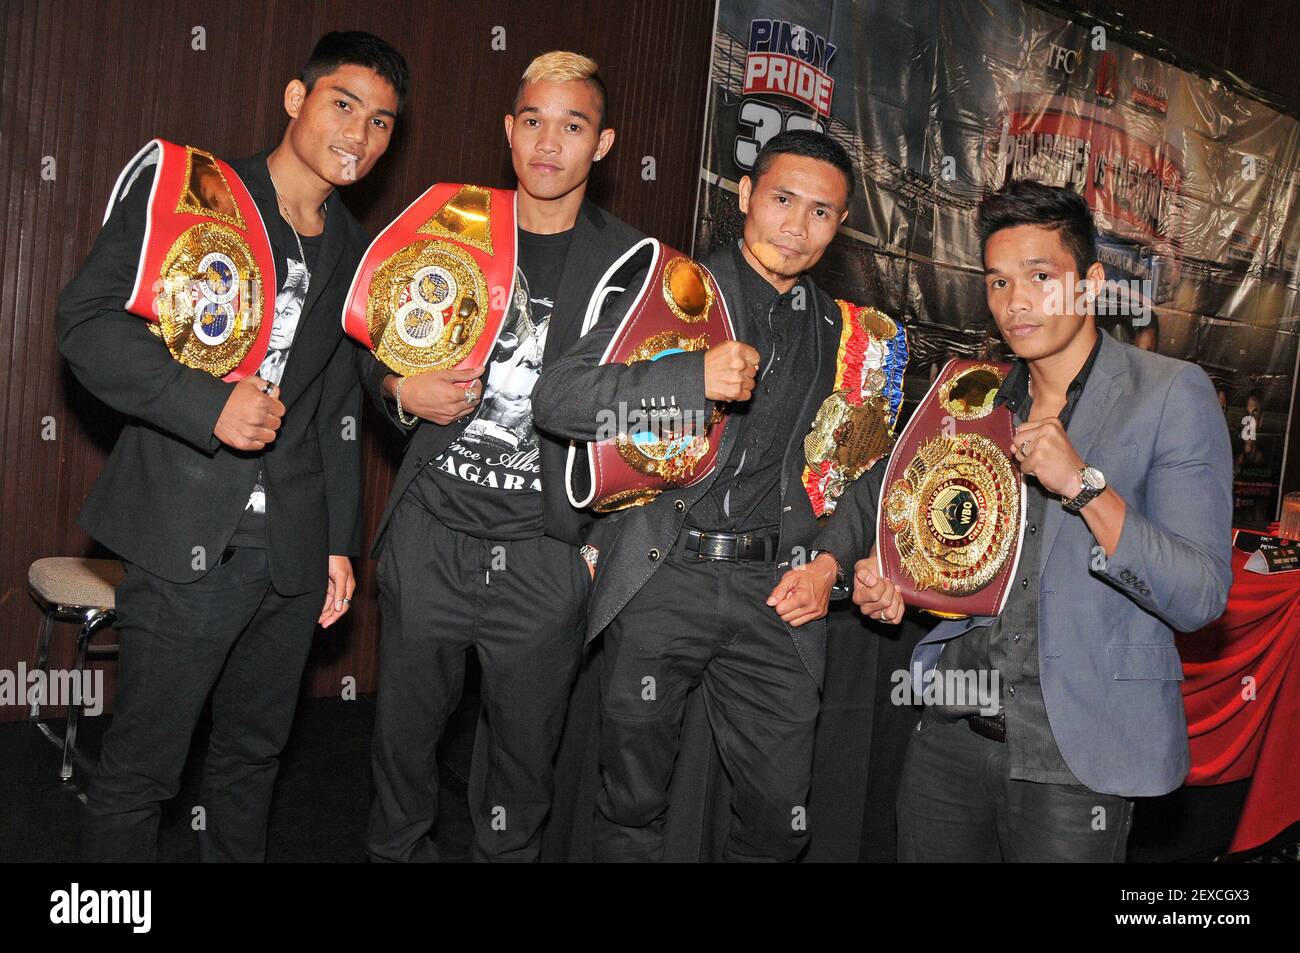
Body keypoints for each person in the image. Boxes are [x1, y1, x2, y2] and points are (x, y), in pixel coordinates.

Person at [57, 31, 407, 862]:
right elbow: (87, 325)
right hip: (187, 540)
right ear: (296, 98)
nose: (359, 135)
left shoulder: (357, 252)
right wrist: (205, 403)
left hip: (287, 554)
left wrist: (335, 543)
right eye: (343, 105)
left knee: (253, 760)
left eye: (384, 122)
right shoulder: (199, 191)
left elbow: (329, 411)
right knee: (143, 771)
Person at [845, 180, 1233, 861]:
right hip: (953, 735)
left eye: (1038, 276)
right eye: (997, 281)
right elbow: (953, 555)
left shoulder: (1170, 393)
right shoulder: (975, 400)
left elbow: (1199, 596)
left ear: (1090, 284)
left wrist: (1082, 487)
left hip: (1076, 757)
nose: (1014, 301)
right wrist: (899, 580)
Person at [532, 129, 894, 862]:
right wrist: (687, 379)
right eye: (783, 199)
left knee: (778, 812)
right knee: (631, 802)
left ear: (842, 222)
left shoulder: (850, 333)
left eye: (822, 212)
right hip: (667, 575)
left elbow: (866, 473)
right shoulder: (675, 290)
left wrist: (829, 562)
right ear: (745, 196)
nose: (797, 225)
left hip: (778, 589)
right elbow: (561, 400)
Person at [358, 51, 645, 862]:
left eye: (573, 125)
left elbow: (654, 418)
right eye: (533, 121)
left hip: (545, 557)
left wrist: (594, 549)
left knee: (519, 784)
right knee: (400, 760)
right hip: (431, 539)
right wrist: (398, 391)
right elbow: (369, 335)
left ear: (604, 142)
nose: (549, 143)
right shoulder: (450, 223)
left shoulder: (633, 267)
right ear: (508, 131)